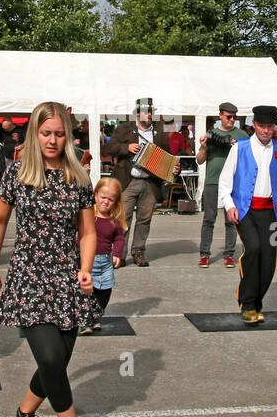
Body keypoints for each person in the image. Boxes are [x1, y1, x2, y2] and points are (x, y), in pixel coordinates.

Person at [0, 101, 99, 417]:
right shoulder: (17, 173)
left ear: (68, 135)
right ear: (34, 134)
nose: (52, 140)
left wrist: (85, 268)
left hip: (67, 278)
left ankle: (24, 413)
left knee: (58, 361)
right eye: (46, 133)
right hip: (28, 278)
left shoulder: (78, 178)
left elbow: (87, 231)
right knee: (50, 357)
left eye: (59, 133)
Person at [217, 104, 277, 325]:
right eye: (261, 126)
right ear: (253, 125)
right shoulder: (239, 148)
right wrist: (229, 204)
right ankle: (248, 304)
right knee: (254, 249)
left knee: (269, 258)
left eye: (269, 127)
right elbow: (225, 182)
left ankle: (257, 303)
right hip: (245, 210)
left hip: (270, 212)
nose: (265, 131)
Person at [104, 97, 179, 267]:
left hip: (149, 184)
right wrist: (126, 148)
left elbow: (167, 158)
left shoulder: (159, 132)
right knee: (123, 219)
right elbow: (109, 148)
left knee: (144, 220)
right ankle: (119, 255)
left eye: (151, 111)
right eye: (146, 111)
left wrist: (174, 168)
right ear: (138, 113)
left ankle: (138, 251)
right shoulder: (124, 128)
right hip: (128, 181)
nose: (150, 114)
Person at [195, 102, 245, 269]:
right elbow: (200, 160)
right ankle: (204, 255)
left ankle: (229, 254)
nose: (232, 119)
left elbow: (248, 158)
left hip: (234, 182)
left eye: (234, 117)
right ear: (220, 116)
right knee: (209, 218)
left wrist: (237, 147)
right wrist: (203, 147)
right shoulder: (211, 134)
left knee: (231, 219)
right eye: (228, 116)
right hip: (213, 180)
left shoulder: (242, 134)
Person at [83, 177, 126, 336]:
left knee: (105, 292)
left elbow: (120, 238)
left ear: (116, 202)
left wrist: (117, 253)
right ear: (95, 195)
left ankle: (96, 316)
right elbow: (79, 234)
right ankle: (85, 321)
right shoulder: (88, 216)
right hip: (87, 261)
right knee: (86, 292)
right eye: (103, 197)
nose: (106, 202)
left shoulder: (115, 221)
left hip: (106, 263)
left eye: (111, 199)